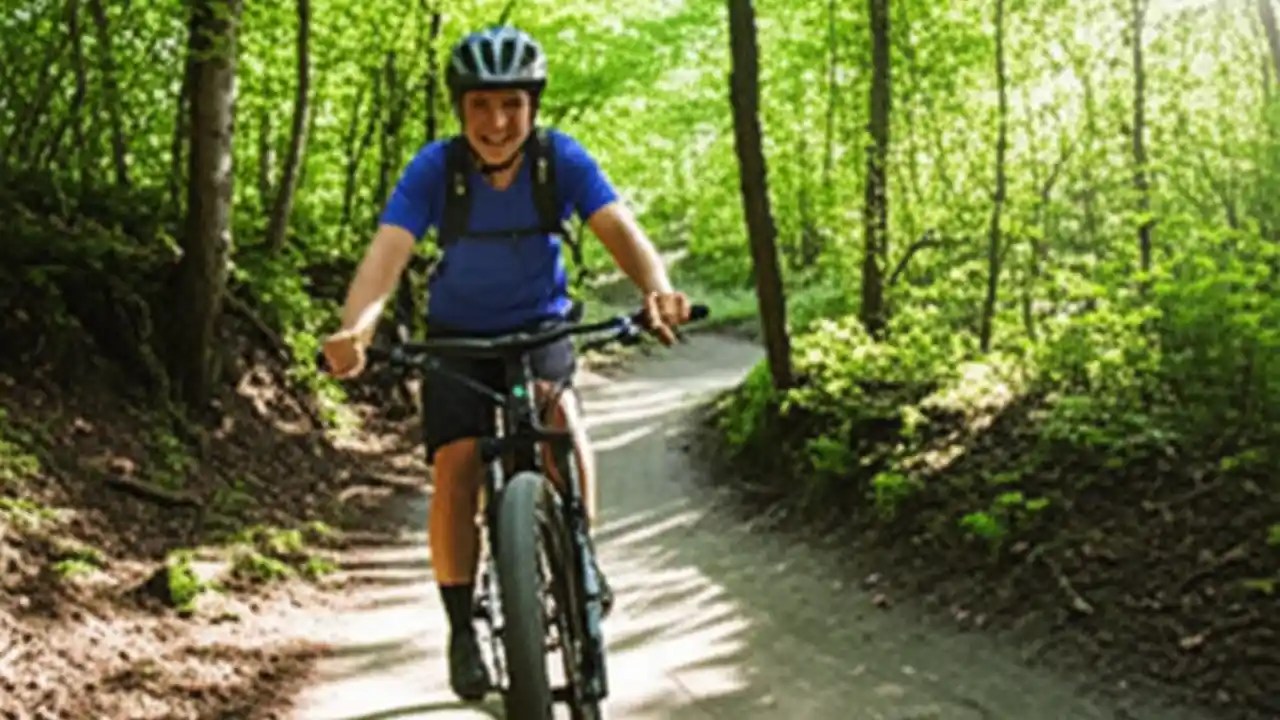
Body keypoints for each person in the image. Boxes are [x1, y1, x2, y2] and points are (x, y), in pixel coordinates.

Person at [319, 25, 693, 700]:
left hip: (539, 325)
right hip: (457, 336)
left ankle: (579, 555)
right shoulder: (436, 169)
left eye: (511, 105)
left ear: (533, 105)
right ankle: (463, 628)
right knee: (456, 464)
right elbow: (387, 254)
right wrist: (355, 330)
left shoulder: (560, 160)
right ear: (461, 109)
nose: (496, 122)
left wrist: (657, 290)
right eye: (481, 105)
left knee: (563, 425)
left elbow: (617, 228)